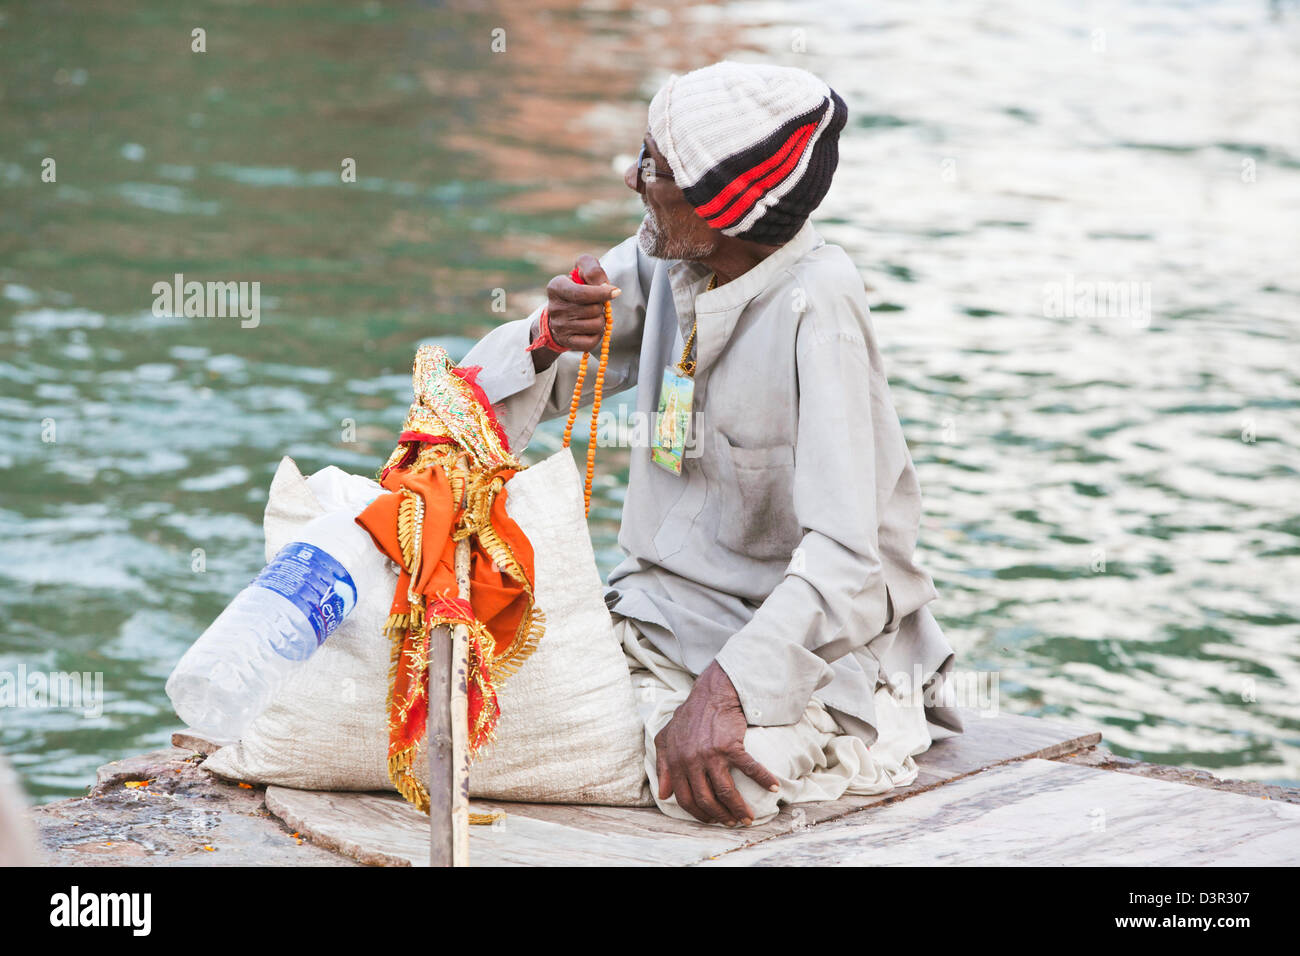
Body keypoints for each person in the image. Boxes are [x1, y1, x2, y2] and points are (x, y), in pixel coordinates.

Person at [462, 60, 963, 828]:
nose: (633, 179)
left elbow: (846, 560)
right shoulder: (665, 259)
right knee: (465, 714)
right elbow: (520, 385)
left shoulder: (818, 301)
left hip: (812, 651)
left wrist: (725, 691)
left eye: (655, 166)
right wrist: (544, 335)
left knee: (724, 781)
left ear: (719, 203)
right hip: (657, 621)